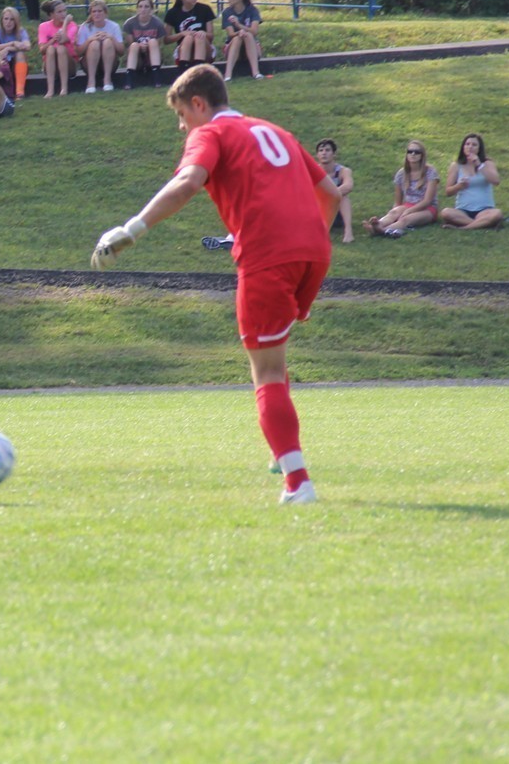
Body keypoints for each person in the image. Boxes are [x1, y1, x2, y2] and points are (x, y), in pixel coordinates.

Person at [90, 64, 341, 505]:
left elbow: (187, 183)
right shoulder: (274, 130)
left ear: (199, 104)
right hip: (315, 252)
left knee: (263, 371)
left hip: (268, 255)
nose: (182, 127)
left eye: (182, 116)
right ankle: (278, 452)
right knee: (275, 356)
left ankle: (298, 483)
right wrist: (310, 238)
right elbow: (331, 195)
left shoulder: (210, 135)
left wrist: (132, 228)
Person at [365, 142, 440, 238]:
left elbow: (427, 200)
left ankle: (382, 230)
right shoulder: (401, 174)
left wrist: (410, 211)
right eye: (410, 151)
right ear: (407, 154)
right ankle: (379, 224)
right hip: (408, 205)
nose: (413, 154)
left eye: (417, 152)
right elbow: (397, 202)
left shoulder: (430, 172)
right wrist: (394, 213)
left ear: (422, 155)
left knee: (405, 219)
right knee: (393, 213)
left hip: (428, 208)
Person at [440, 132, 503, 230]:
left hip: (484, 210)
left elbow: (496, 181)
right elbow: (448, 192)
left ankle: (463, 228)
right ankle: (482, 224)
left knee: (497, 213)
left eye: (474, 145)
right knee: (446, 212)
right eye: (467, 144)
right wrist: (459, 186)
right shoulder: (456, 166)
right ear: (463, 147)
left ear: (479, 149)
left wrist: (479, 164)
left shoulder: (487, 163)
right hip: (463, 211)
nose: (470, 147)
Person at [164, 0, 216, 78]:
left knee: (198, 37)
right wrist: (182, 34)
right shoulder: (173, 13)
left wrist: (202, 32)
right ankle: (183, 73)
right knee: (188, 37)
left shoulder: (205, 9)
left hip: (204, 47)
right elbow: (166, 39)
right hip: (184, 49)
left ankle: (199, 75)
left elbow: (211, 36)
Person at [121, 0, 170, 89]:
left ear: (152, 9)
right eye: (140, 6)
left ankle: (157, 79)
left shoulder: (158, 23)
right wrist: (140, 46)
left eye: (146, 7)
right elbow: (129, 44)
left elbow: (159, 44)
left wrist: (147, 46)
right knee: (134, 45)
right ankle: (129, 80)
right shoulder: (129, 23)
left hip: (152, 56)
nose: (143, 9)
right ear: (137, 9)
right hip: (137, 57)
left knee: (153, 42)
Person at [77, 0, 123, 93]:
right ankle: (91, 81)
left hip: (110, 63)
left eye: (99, 11)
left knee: (107, 42)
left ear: (105, 13)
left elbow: (121, 52)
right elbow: (79, 52)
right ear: (90, 13)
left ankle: (107, 80)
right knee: (94, 43)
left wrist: (111, 38)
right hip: (89, 63)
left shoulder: (114, 26)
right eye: (94, 11)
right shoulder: (85, 27)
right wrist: (89, 40)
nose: (97, 14)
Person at [314, 138, 354, 243]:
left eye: (327, 150)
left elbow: (348, 186)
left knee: (343, 197)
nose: (324, 153)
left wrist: (331, 195)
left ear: (334, 154)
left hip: (336, 213)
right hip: (319, 211)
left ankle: (348, 232)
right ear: (317, 155)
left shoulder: (343, 171)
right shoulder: (313, 171)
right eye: (321, 151)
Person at [221, 0, 265, 80]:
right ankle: (228, 75)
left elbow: (254, 31)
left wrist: (239, 26)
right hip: (233, 46)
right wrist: (239, 33)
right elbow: (230, 34)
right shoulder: (227, 12)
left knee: (248, 35)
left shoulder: (253, 10)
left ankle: (256, 73)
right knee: (237, 38)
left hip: (251, 46)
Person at [37, 0, 78, 99]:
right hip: (50, 65)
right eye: (59, 12)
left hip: (69, 66)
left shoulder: (72, 25)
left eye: (64, 11)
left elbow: (62, 40)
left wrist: (65, 24)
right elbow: (42, 50)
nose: (63, 14)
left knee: (61, 48)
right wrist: (52, 41)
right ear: (51, 15)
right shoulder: (43, 26)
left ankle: (64, 88)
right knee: (50, 49)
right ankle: (50, 90)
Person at [0, 6, 32, 100]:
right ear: (2, 20)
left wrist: (8, 49)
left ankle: (20, 92)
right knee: (0, 56)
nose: (8, 22)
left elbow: (27, 46)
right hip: (1, 62)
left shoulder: (21, 31)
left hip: (16, 63)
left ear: (16, 21)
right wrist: (12, 43)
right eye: (6, 19)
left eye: (12, 19)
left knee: (20, 54)